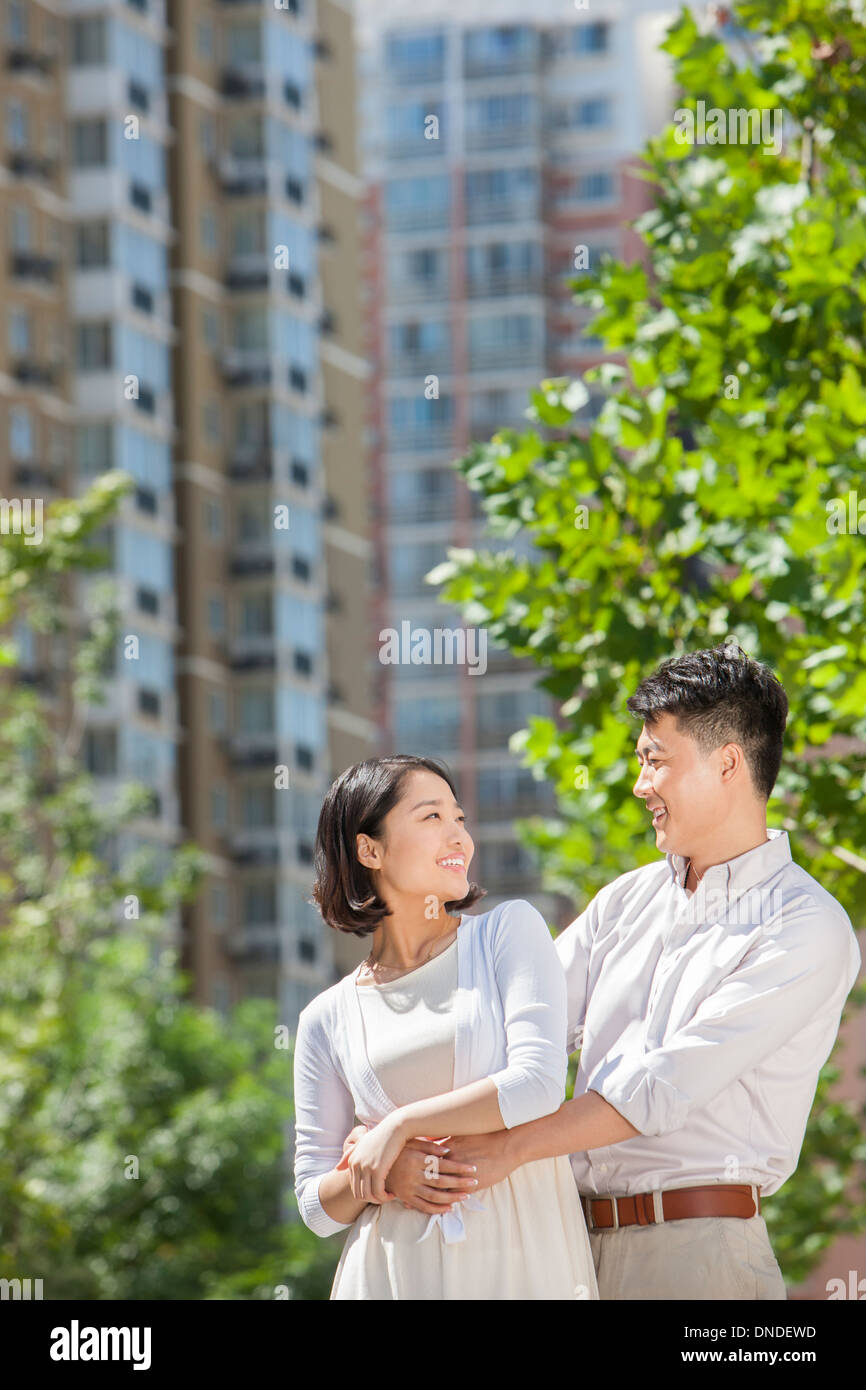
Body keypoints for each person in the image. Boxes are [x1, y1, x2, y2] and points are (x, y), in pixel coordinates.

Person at [342, 646, 862, 1300]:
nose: (640, 784)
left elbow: (663, 1085)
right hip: (562, 1247)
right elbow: (508, 1029)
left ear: (728, 762)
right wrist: (392, 1116)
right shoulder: (627, 900)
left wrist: (509, 1148)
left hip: (695, 1258)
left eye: (655, 761)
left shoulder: (803, 924)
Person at [292, 754, 598, 1300]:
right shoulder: (327, 1016)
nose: (459, 838)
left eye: (460, 819)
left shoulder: (508, 932)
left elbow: (538, 1085)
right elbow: (317, 1205)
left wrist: (396, 1128)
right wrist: (386, 1176)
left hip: (521, 1258)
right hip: (391, 1274)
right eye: (432, 817)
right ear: (370, 849)